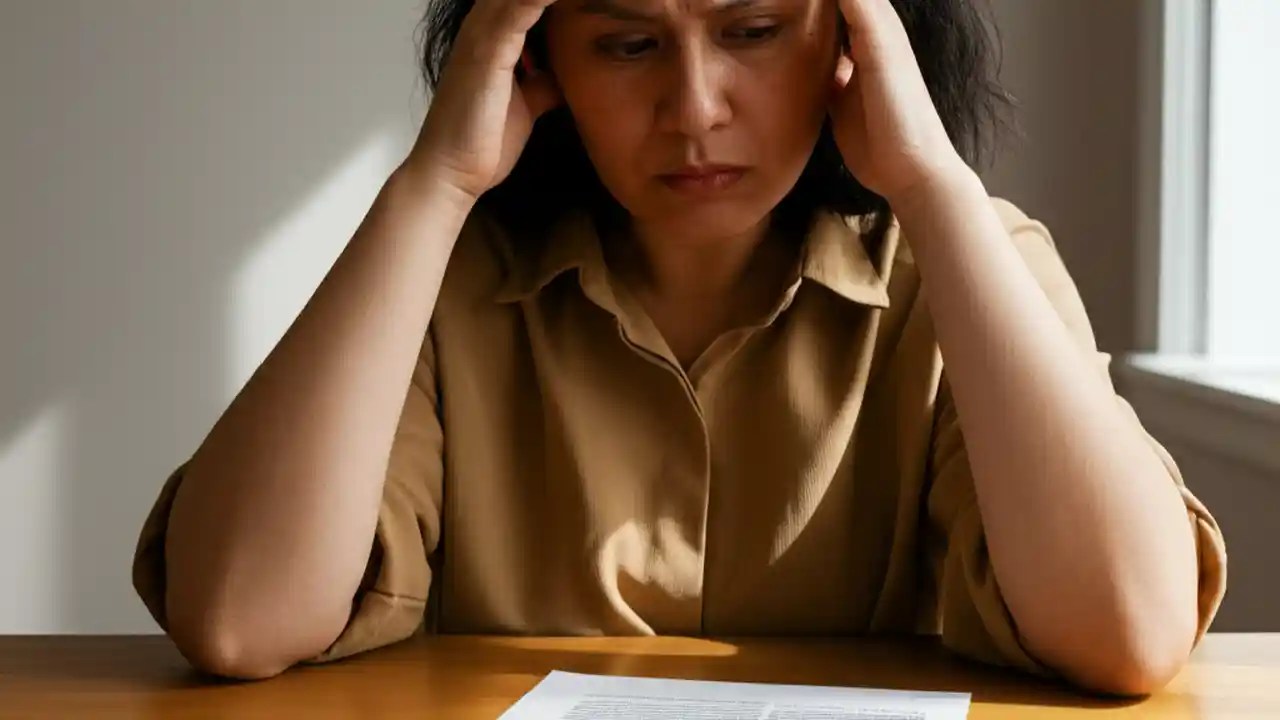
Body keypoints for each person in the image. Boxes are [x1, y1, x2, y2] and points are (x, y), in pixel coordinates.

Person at [131, 0, 1226, 696]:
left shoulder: (968, 264)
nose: (694, 109)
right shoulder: (442, 279)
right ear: (534, 55)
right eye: (627, 44)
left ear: (855, 37)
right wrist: (435, 184)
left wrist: (933, 183)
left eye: (753, 31)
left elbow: (1128, 633)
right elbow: (239, 621)